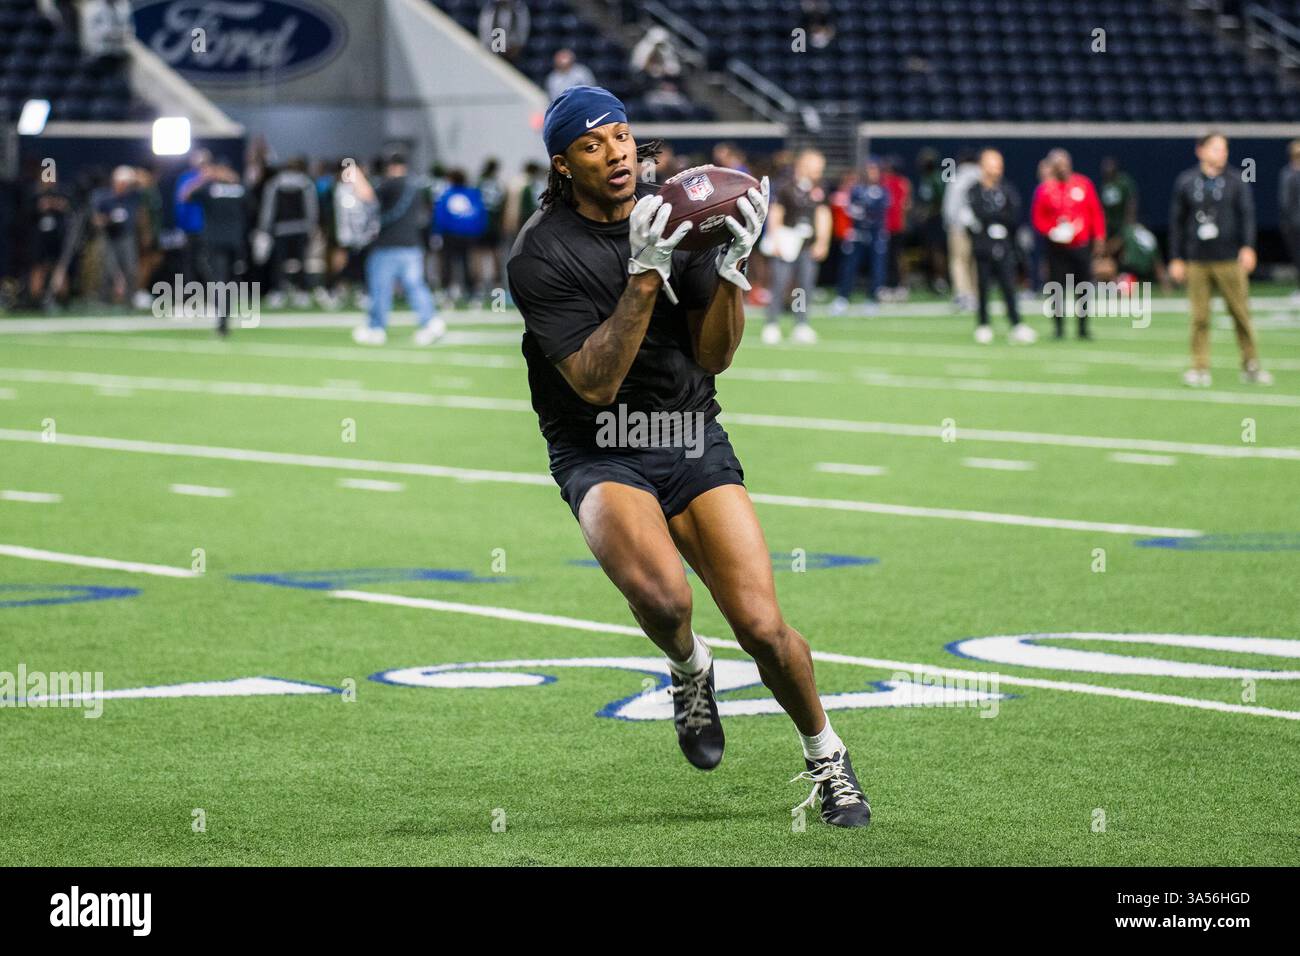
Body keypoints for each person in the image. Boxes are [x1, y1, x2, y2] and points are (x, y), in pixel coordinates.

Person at [505, 86, 871, 828]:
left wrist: (734, 268)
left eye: (621, 137)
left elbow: (716, 356)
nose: (614, 154)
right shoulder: (540, 251)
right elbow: (596, 384)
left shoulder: (681, 214)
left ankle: (828, 756)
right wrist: (645, 273)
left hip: (689, 432)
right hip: (599, 446)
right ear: (562, 165)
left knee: (765, 628)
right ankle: (688, 667)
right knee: (668, 600)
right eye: (592, 144)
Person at [1169, 132, 1271, 387]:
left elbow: (1246, 215)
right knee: (1199, 317)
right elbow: (1177, 222)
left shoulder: (1237, 180)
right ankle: (1200, 367)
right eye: (1216, 148)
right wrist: (1176, 257)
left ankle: (1251, 365)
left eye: (1224, 149)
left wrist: (1248, 247)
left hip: (1228, 258)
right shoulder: (1187, 181)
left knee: (1240, 313)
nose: (1222, 154)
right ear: (1200, 150)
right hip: (1197, 259)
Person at [350, 152, 445, 346]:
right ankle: (430, 321)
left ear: (390, 167)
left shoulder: (390, 184)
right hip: (412, 245)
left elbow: (367, 196)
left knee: (380, 288)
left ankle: (376, 328)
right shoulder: (417, 187)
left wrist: (355, 175)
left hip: (388, 246)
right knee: (416, 285)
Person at [1031, 148, 1105, 339]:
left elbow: (1095, 212)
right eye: (1058, 165)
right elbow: (1038, 218)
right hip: (1056, 248)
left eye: (1065, 164)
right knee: (1056, 288)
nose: (1062, 168)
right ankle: (1058, 328)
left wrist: (1098, 237)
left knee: (1083, 287)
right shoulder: (1046, 189)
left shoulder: (1083, 184)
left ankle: (1083, 327)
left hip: (1080, 245)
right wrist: (1051, 231)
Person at [966, 148, 1036, 345]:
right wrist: (995, 217)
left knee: (1008, 286)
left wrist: (995, 218)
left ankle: (1016, 324)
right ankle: (983, 324)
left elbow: (1013, 216)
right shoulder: (974, 190)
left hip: (1004, 245)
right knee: (983, 286)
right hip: (983, 245)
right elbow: (978, 213)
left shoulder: (1006, 189)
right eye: (992, 163)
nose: (996, 169)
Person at [762, 148, 831, 344]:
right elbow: (775, 213)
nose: (820, 171)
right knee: (779, 283)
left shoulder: (819, 188)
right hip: (786, 242)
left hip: (806, 244)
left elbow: (823, 214)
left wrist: (823, 241)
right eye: (817, 166)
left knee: (803, 287)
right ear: (804, 165)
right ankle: (771, 323)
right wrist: (773, 239)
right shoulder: (785, 185)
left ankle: (800, 324)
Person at [256, 157, 319, 307]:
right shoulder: (306, 183)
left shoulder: (275, 184)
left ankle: (278, 292)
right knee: (301, 262)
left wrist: (264, 227)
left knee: (278, 263)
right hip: (301, 228)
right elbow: (312, 207)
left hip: (280, 229)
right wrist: (312, 226)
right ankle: (301, 292)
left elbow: (268, 208)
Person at [830, 159, 889, 315]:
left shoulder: (882, 191)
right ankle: (843, 297)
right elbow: (852, 209)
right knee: (849, 265)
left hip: (875, 234)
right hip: (858, 233)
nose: (872, 173)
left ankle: (873, 298)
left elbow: (877, 212)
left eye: (874, 170)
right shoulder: (857, 190)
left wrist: (863, 211)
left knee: (877, 267)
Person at [92, 165, 140, 307]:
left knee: (131, 268)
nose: (123, 186)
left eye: (126, 183)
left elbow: (145, 182)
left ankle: (129, 300)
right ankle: (105, 300)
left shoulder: (132, 196)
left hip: (126, 236)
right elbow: (96, 220)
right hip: (110, 236)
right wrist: (108, 220)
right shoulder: (104, 197)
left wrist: (132, 176)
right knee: (108, 269)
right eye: (121, 182)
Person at [942, 149, 980, 310]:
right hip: (979, 226)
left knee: (958, 261)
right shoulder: (982, 175)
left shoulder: (956, 176)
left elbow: (949, 204)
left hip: (958, 226)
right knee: (977, 261)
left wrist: (949, 222)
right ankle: (977, 295)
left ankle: (963, 294)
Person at [880, 155, 911, 299]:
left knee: (893, 257)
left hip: (892, 226)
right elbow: (907, 205)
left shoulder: (890, 182)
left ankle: (896, 285)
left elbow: (905, 205)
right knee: (894, 257)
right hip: (895, 226)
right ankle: (896, 285)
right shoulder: (904, 182)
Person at [1280, 139, 1300, 306]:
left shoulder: (1288, 174)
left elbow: (1285, 202)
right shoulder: (1288, 174)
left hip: (1294, 224)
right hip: (1295, 225)